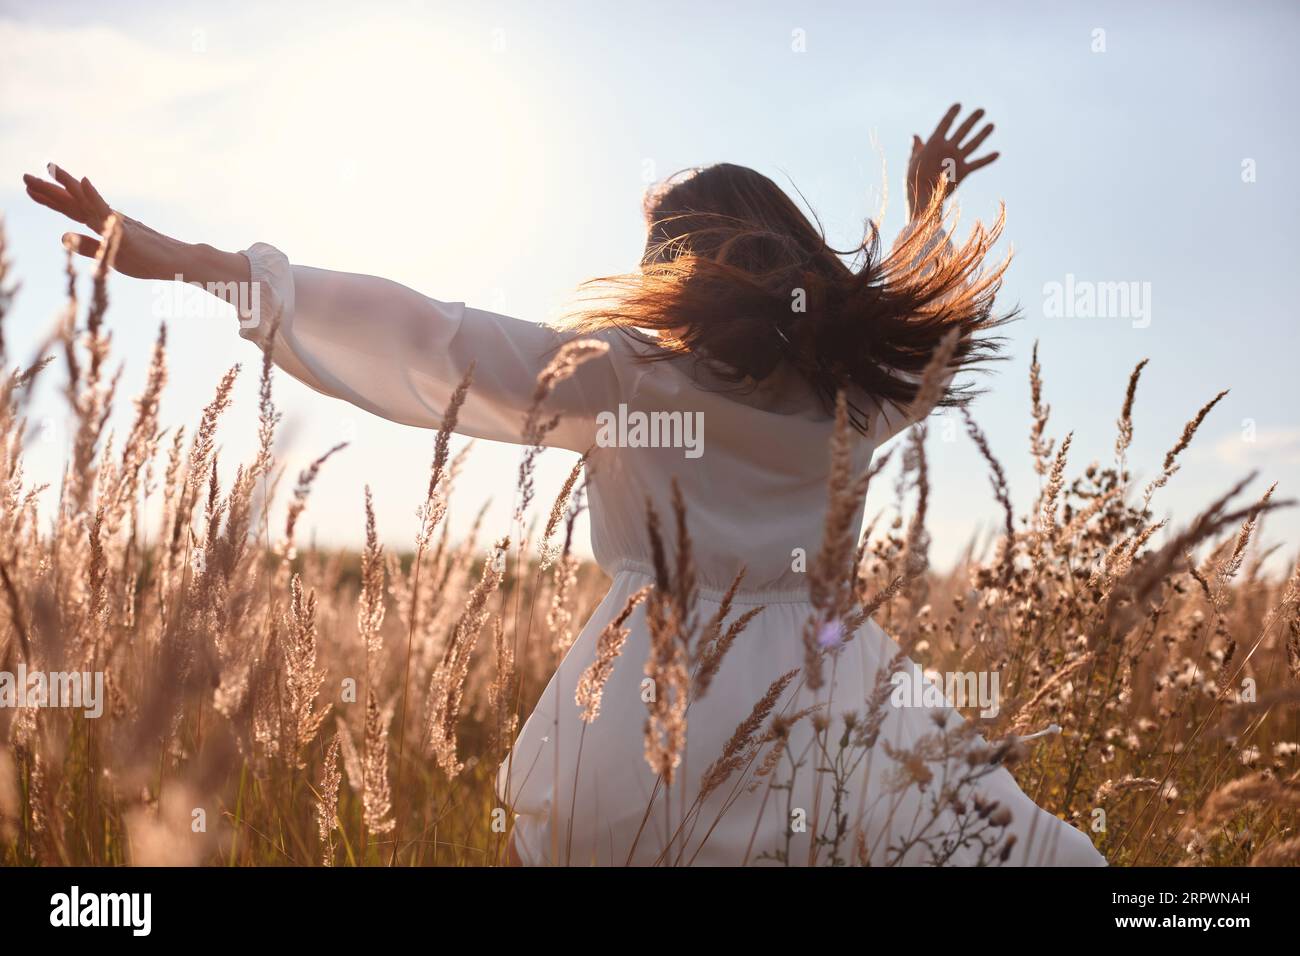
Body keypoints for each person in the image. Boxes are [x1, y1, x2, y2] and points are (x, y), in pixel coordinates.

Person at [24, 103, 1106, 866]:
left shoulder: (626, 371)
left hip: (648, 697)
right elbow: (934, 346)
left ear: (675, 263)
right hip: (833, 688)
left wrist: (186, 257)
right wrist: (925, 215)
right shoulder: (857, 393)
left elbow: (431, 339)